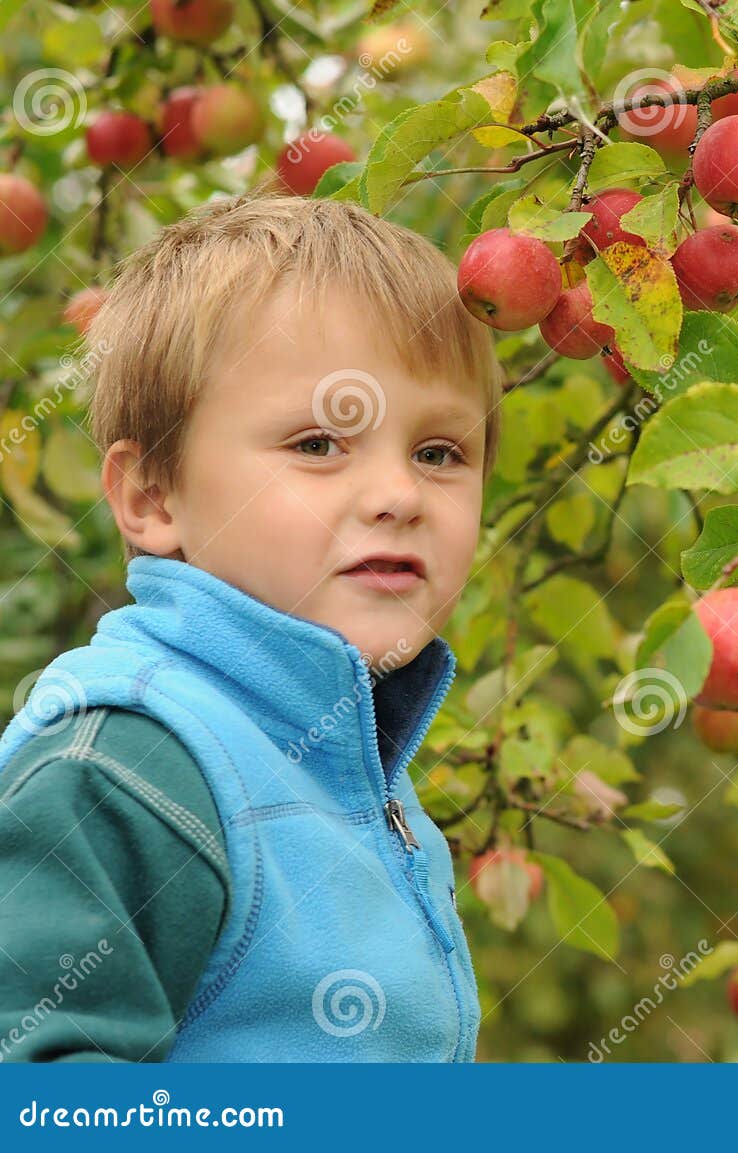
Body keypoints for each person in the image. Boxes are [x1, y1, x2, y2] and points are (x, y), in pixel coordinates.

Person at [0, 192, 502, 1061]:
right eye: (317, 444)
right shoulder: (132, 766)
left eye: (439, 452)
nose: (400, 495)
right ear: (152, 498)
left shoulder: (350, 769)